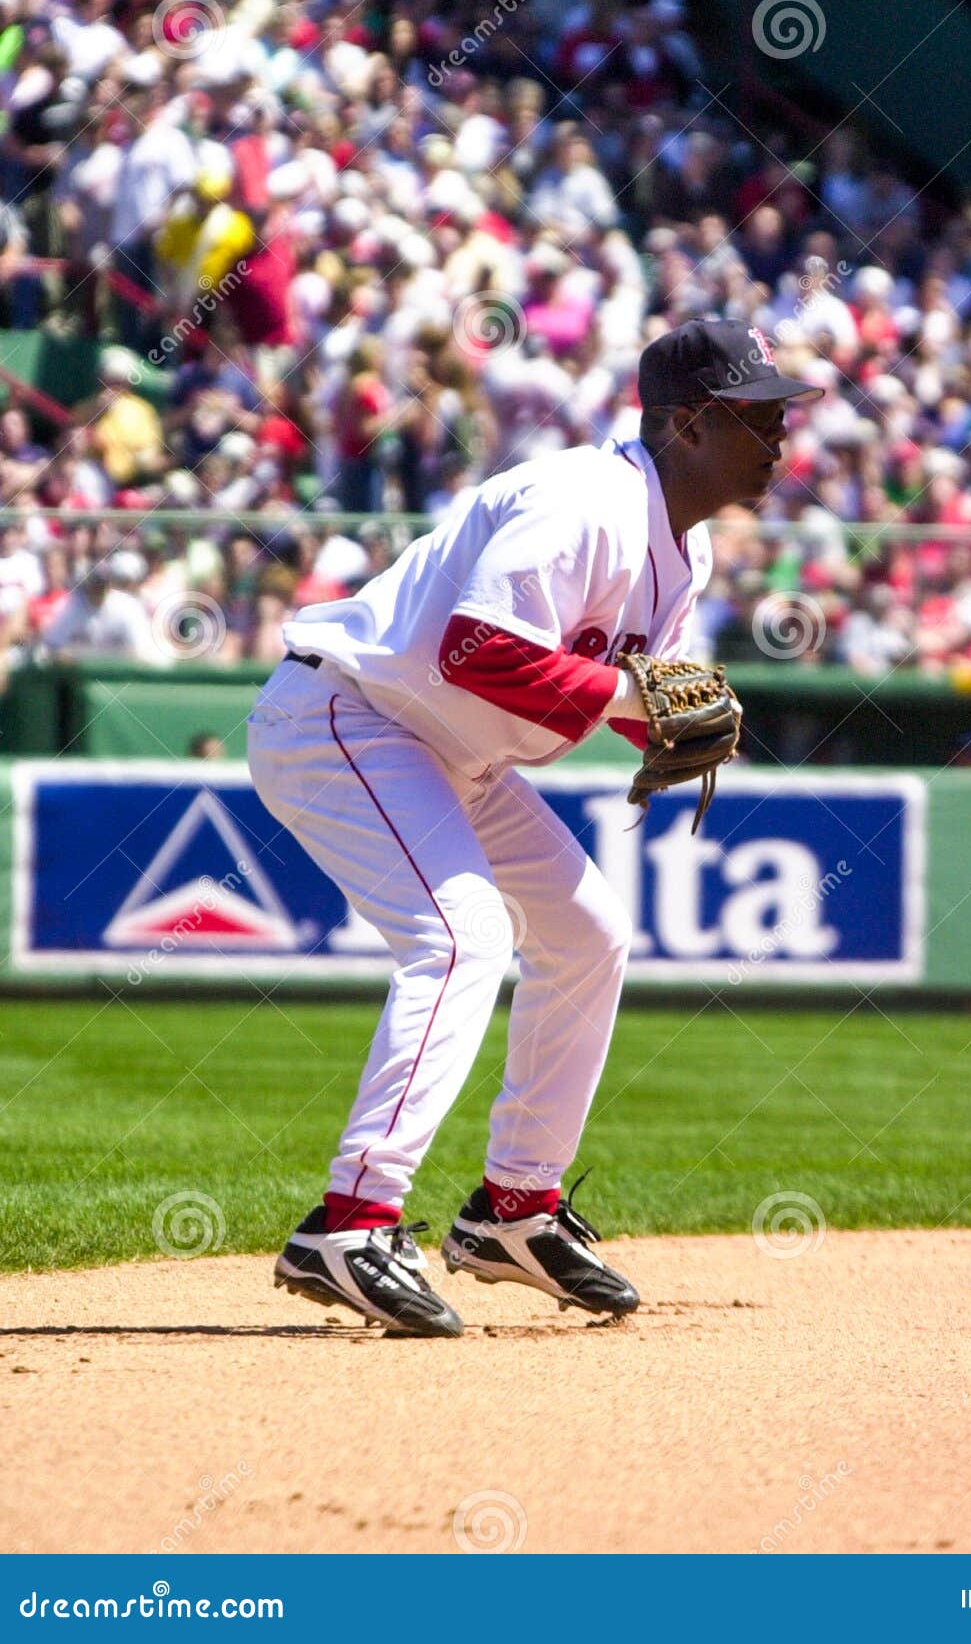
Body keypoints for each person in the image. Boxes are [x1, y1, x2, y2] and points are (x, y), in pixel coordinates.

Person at [248, 320, 819, 1337]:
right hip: (351, 715)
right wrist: (629, 699)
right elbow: (477, 650)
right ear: (685, 424)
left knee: (589, 933)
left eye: (779, 413)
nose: (776, 434)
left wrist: (651, 720)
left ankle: (513, 1207)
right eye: (753, 415)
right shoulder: (583, 501)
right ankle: (351, 1222)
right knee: (460, 936)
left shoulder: (676, 549)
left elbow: (625, 693)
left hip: (448, 753)